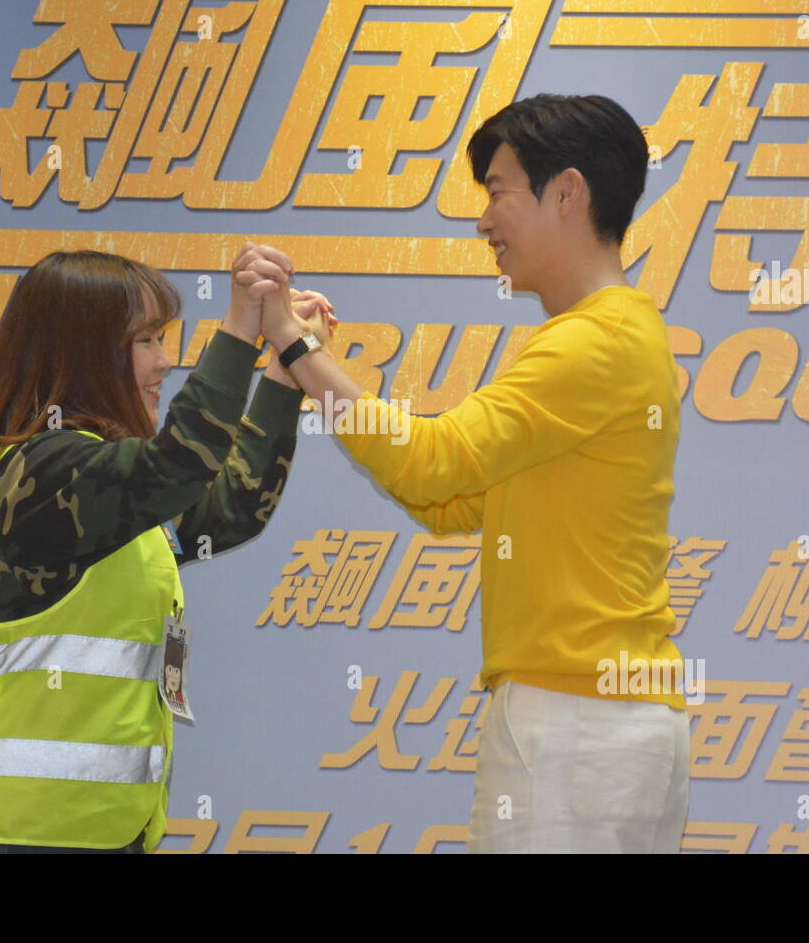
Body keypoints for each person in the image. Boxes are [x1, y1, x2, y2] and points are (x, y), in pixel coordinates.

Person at [245, 94, 690, 853]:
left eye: (498, 192)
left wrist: (293, 345)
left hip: (575, 723)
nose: (484, 222)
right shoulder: (613, 336)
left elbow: (430, 464)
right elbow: (450, 501)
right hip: (596, 723)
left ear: (568, 191)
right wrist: (312, 364)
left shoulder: (594, 342)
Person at [0, 247, 333, 854]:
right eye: (146, 342)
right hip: (8, 835)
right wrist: (242, 328)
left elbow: (227, 510)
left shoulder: (98, 494)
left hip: (87, 836)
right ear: (85, 355)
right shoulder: (45, 472)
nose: (165, 363)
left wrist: (285, 373)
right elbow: (180, 466)